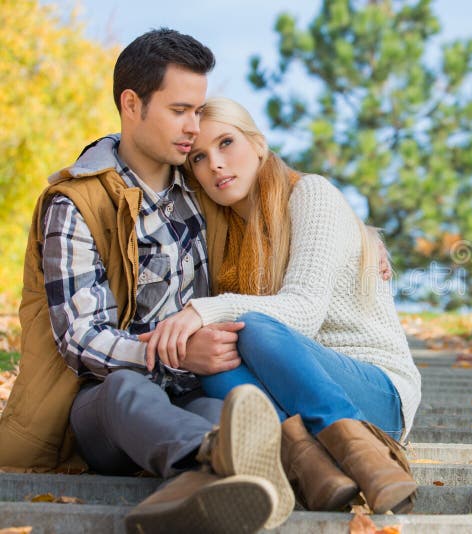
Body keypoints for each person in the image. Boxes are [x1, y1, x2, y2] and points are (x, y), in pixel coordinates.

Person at [0, 29, 294, 534]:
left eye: (198, 111)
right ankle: (213, 454)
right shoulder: (76, 204)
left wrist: (354, 233)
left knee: (231, 410)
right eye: (179, 110)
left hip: (193, 394)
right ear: (132, 104)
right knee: (126, 392)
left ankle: (186, 491)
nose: (193, 127)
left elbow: (271, 183)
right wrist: (178, 352)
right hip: (101, 409)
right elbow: (81, 339)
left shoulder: (202, 186)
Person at [144, 97, 422, 514]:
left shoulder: (310, 194)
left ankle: (373, 463)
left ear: (258, 144)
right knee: (218, 355)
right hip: (295, 398)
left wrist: (204, 309)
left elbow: (304, 311)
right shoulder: (224, 234)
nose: (215, 164)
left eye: (226, 143)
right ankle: (316, 471)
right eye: (199, 157)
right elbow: (140, 150)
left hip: (377, 394)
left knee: (253, 327)